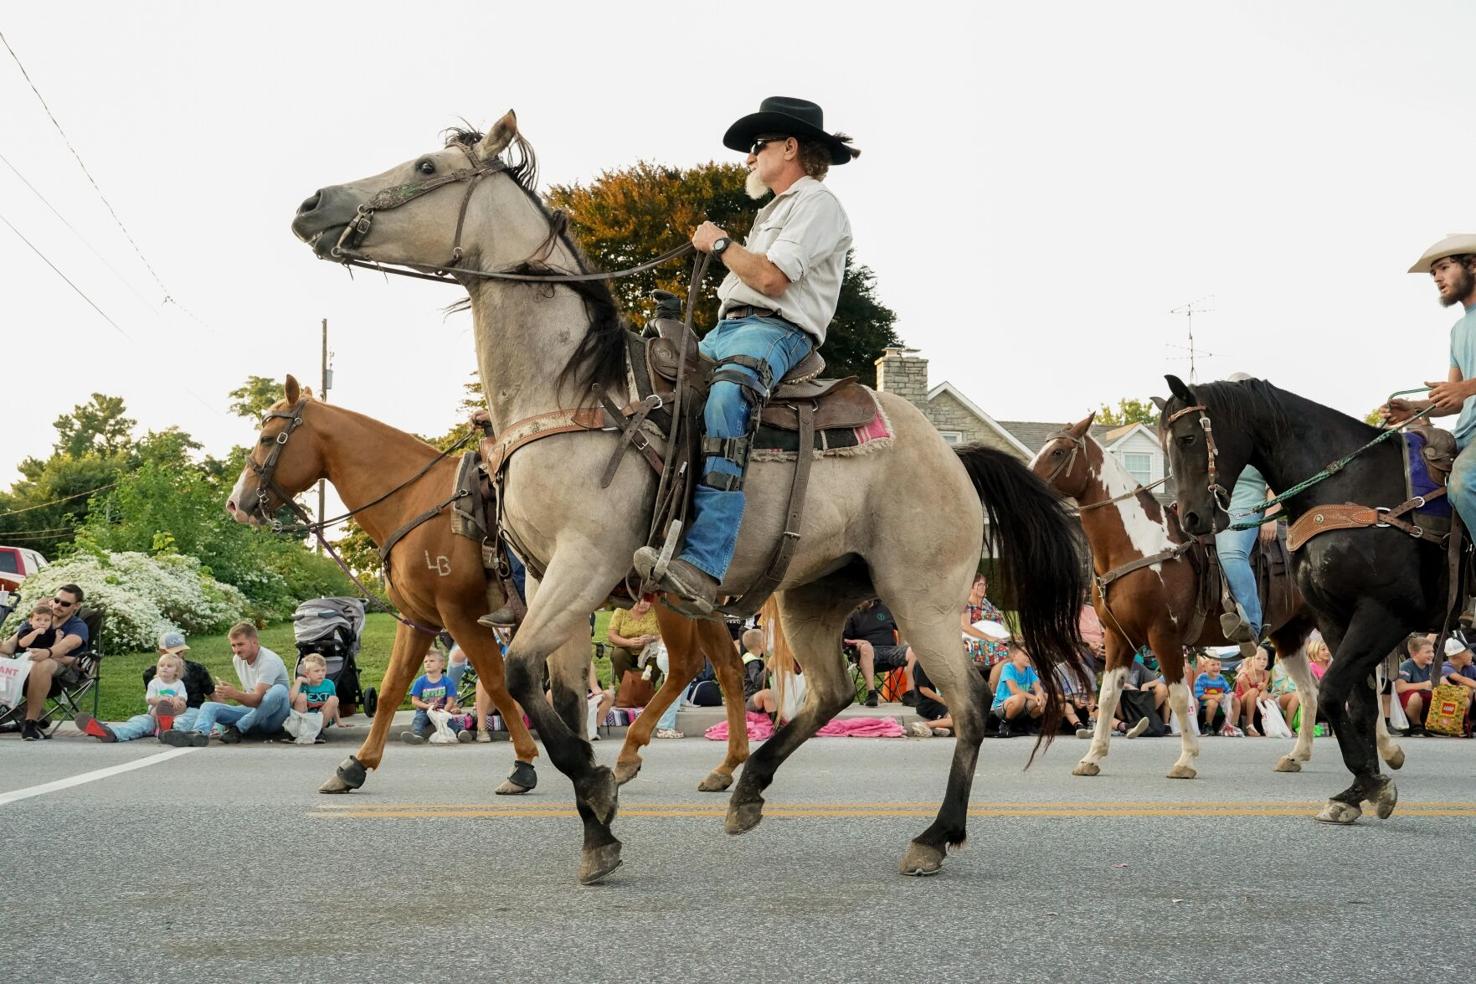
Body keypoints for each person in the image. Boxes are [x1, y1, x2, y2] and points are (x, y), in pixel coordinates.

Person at [634, 96, 860, 610]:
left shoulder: (817, 205)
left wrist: (718, 246)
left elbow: (771, 279)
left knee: (726, 401)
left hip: (778, 331)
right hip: (729, 328)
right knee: (654, 391)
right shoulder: (774, 211)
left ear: (790, 147)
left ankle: (706, 563)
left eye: (757, 146)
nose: (749, 157)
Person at [1384, 236, 1476, 573]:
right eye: (1433, 273)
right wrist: (1416, 408)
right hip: (1465, 437)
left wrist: (1466, 388)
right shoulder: (1458, 330)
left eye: (1444, 268)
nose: (1437, 278)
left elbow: (1462, 390)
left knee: (1463, 483)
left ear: (1473, 266)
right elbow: (1451, 399)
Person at [1215, 373, 1281, 652]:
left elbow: (1279, 479)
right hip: (1214, 504)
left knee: (1230, 552)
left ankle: (1252, 625)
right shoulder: (1216, 432)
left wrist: (1271, 513)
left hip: (1249, 503)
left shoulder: (1266, 432)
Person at [161, 622, 290, 747]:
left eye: (240, 644)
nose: (236, 650)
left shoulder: (268, 661)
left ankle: (238, 729)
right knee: (209, 706)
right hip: (253, 715)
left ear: (254, 642)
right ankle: (198, 734)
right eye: (233, 645)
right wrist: (231, 692)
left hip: (273, 719)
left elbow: (257, 700)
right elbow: (252, 699)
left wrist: (235, 694)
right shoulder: (238, 659)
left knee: (279, 690)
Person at [1, 584, 90, 741]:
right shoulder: (38, 619)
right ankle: (20, 712)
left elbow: (67, 645)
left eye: (65, 604)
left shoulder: (77, 626)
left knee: (43, 663)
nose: (58, 606)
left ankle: (30, 723)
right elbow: (9, 647)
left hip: (62, 675)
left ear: (76, 606)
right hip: (23, 670)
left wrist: (47, 653)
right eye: (56, 600)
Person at [76, 634, 193, 742]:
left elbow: (184, 698)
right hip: (154, 715)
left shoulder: (181, 682)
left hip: (177, 715)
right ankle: (111, 733)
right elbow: (150, 699)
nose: (165, 668)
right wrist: (165, 699)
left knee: (185, 714)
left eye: (179, 652)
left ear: (177, 670)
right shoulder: (153, 680)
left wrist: (178, 699)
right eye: (162, 666)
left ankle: (167, 730)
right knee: (139, 722)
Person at [843, 598, 917, 707]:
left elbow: (901, 626)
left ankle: (910, 694)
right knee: (866, 648)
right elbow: (843, 639)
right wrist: (860, 642)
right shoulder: (851, 612)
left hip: (890, 650)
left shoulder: (886, 607)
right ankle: (871, 694)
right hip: (867, 652)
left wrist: (900, 645)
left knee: (913, 651)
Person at [402, 651, 472, 744]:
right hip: (425, 710)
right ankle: (417, 735)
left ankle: (460, 733)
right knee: (419, 719)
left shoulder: (447, 681)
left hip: (441, 710)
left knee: (449, 720)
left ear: (441, 664)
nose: (428, 663)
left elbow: (451, 701)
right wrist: (427, 706)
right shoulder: (420, 681)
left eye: (431, 661)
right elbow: (414, 700)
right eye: (425, 661)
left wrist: (445, 711)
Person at [963, 573, 1011, 695]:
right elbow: (965, 627)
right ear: (970, 587)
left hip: (995, 641)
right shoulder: (965, 604)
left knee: (1020, 651)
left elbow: (998, 623)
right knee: (1005, 654)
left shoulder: (987, 604)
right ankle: (990, 695)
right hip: (972, 644)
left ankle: (1009, 693)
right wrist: (989, 637)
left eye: (985, 585)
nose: (983, 587)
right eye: (979, 584)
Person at [990, 645, 1044, 738]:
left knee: (1044, 697)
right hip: (1003, 705)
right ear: (1014, 656)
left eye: (1029, 654)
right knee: (1020, 698)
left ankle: (1027, 724)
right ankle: (1004, 725)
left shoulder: (1029, 669)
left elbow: (1038, 687)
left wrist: (1039, 695)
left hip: (1021, 705)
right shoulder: (1008, 668)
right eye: (1025, 654)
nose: (1029, 657)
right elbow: (1014, 690)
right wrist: (1034, 697)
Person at [606, 598, 661, 688]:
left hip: (650, 652)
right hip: (626, 651)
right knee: (618, 654)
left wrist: (652, 638)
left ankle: (646, 688)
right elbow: (611, 636)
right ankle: (628, 687)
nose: (642, 603)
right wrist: (629, 642)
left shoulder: (656, 612)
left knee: (659, 656)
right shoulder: (621, 611)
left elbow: (666, 635)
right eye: (638, 600)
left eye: (646, 600)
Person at [289, 652, 340, 739]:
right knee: (301, 697)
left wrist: (338, 722)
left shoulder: (329, 684)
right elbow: (291, 700)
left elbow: (334, 706)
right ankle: (299, 730)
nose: (321, 673)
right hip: (305, 718)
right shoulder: (302, 685)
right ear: (307, 674)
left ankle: (318, 731)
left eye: (323, 670)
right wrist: (299, 680)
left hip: (321, 718)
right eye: (317, 671)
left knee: (333, 699)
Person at [1395, 634, 1437, 735]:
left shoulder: (1433, 665)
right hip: (1410, 701)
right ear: (1414, 654)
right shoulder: (1406, 665)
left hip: (1428, 698)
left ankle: (1436, 724)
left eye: (1432, 651)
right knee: (1415, 697)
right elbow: (1399, 687)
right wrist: (1422, 685)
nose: (1432, 655)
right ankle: (1416, 725)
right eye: (1427, 652)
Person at [907, 662, 953, 737]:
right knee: (958, 719)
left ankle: (938, 727)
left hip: (941, 702)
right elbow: (924, 690)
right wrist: (944, 701)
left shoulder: (939, 662)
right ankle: (924, 725)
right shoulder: (921, 664)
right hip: (928, 704)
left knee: (964, 717)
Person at [1194, 656, 1235, 735]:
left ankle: (1229, 725)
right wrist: (1215, 697)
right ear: (1205, 667)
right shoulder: (1201, 678)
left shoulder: (1221, 678)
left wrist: (1231, 694)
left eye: (1218, 664)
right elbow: (1199, 696)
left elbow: (1228, 691)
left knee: (1236, 701)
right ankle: (1208, 725)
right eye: (1213, 665)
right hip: (1205, 703)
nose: (1216, 667)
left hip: (1220, 701)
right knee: (1213, 702)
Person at [1233, 648, 1270, 737]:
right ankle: (1249, 725)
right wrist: (1261, 692)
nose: (1262, 662)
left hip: (1257, 702)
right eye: (1258, 658)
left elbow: (1263, 693)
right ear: (1251, 660)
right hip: (1242, 704)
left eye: (1265, 659)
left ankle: (1269, 725)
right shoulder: (1244, 676)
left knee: (1270, 697)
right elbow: (1251, 696)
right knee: (1253, 692)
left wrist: (1264, 690)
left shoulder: (1267, 673)